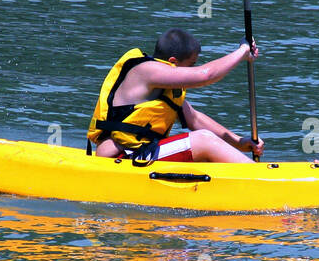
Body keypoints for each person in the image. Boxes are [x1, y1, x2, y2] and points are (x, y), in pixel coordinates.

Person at [87, 28, 263, 163]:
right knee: (204, 140)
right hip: (122, 157)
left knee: (204, 139)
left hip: (139, 153)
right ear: (172, 62)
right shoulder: (147, 71)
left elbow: (195, 119)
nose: (193, 69)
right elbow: (205, 75)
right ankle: (259, 178)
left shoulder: (165, 90)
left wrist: (239, 142)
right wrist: (242, 52)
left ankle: (247, 175)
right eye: (191, 64)